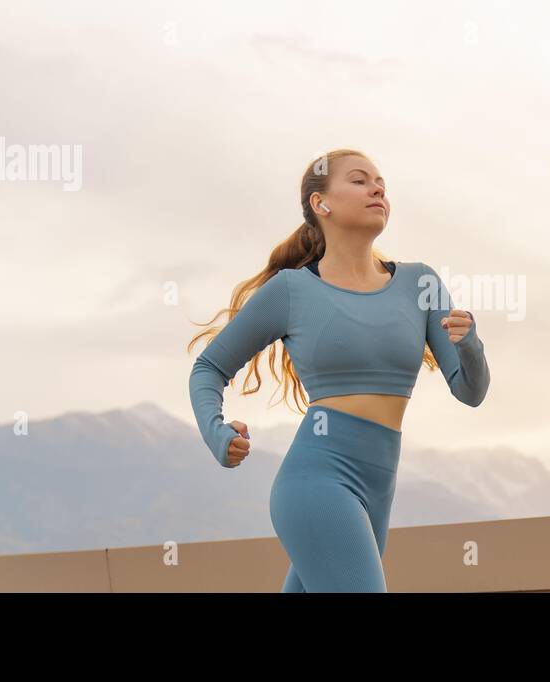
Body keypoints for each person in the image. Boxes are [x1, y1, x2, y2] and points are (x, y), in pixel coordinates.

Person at [186, 148, 490, 592]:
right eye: (360, 179)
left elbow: (471, 391)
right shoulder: (291, 291)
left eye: (381, 181)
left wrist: (471, 344)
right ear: (320, 203)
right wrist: (217, 434)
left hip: (378, 489)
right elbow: (208, 366)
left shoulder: (419, 283)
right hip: (316, 482)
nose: (377, 188)